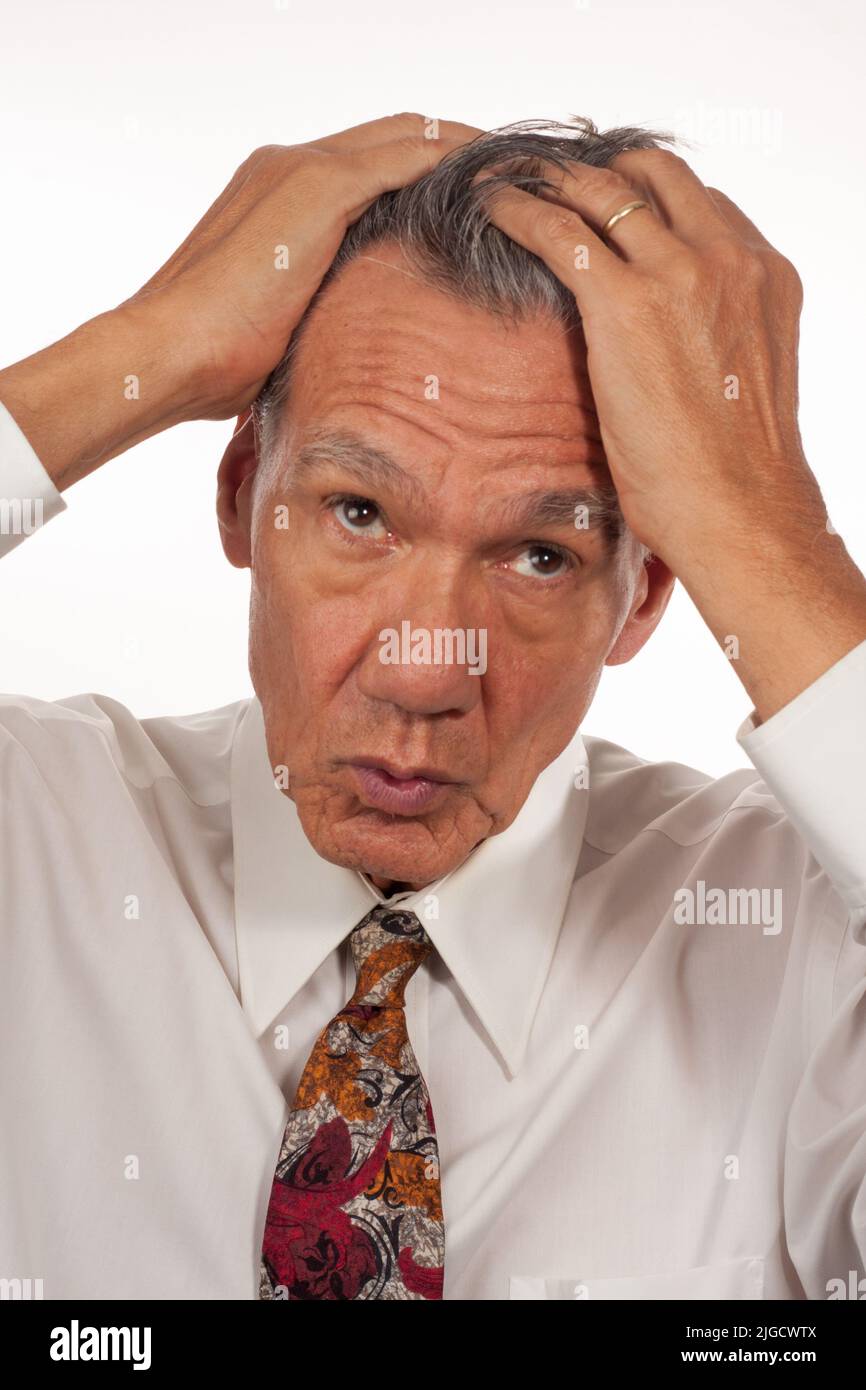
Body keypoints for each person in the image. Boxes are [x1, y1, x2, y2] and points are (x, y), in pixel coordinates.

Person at [1, 112, 864, 1301]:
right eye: (360, 511)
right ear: (245, 492)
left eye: (539, 556)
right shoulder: (36, 844)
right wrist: (143, 350)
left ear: (647, 596)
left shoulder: (797, 944)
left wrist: (757, 525)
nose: (421, 671)